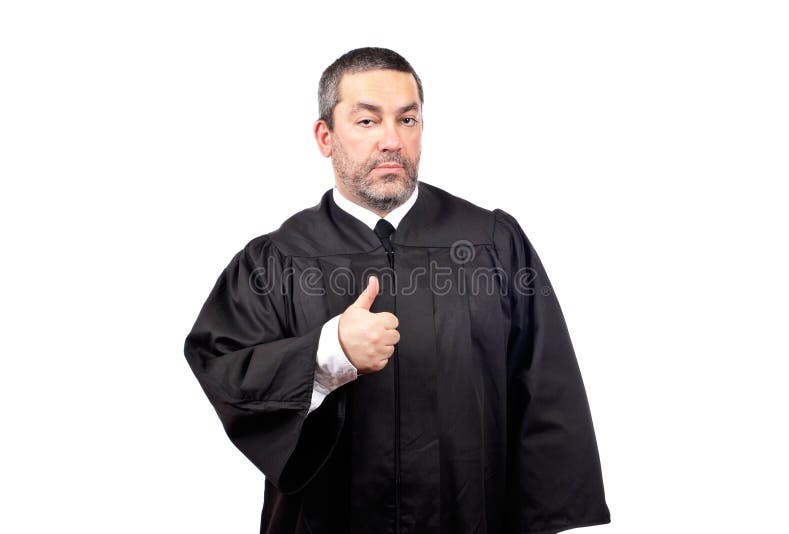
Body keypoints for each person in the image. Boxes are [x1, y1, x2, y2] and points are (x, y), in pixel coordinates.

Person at [184, 47, 610, 534]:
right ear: (325, 137)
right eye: (367, 121)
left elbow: (545, 389)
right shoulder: (276, 259)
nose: (392, 140)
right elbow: (224, 368)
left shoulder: (492, 243)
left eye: (407, 120)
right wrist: (329, 352)